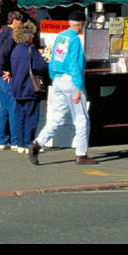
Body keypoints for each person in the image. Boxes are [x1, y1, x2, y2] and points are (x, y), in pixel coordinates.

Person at [30, 9, 90, 164]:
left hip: (57, 80)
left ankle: (38, 143)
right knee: (81, 119)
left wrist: (53, 77)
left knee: (56, 117)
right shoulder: (75, 40)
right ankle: (81, 154)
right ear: (81, 24)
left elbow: (54, 59)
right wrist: (78, 87)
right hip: (71, 80)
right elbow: (74, 64)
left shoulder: (61, 37)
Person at [8, 20, 48, 153]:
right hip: (30, 88)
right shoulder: (31, 51)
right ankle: (29, 143)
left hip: (17, 88)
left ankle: (20, 144)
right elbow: (41, 67)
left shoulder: (15, 50)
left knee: (19, 116)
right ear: (29, 36)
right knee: (31, 117)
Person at [0, 10, 23, 150]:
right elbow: (4, 52)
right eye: (20, 21)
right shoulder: (11, 35)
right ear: (15, 21)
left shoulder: (2, 33)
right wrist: (8, 69)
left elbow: (1, 52)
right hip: (7, 76)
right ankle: (15, 141)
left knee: (4, 108)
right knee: (13, 108)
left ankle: (1, 140)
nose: (21, 24)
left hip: (0, 76)